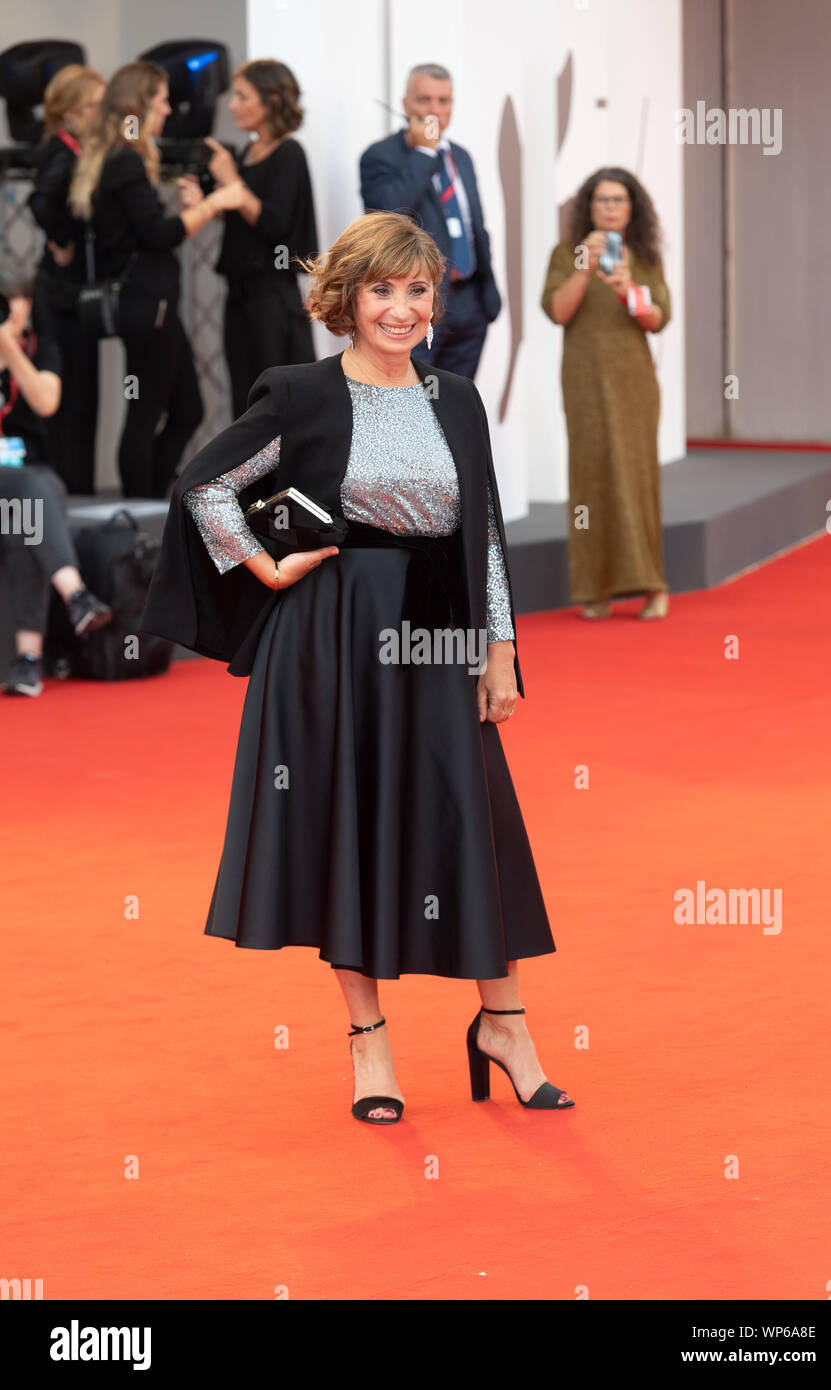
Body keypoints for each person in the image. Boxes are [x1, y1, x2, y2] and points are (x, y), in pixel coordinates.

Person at [139, 212, 574, 1125]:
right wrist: (267, 562)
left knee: (473, 817)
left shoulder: (454, 396)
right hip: (333, 636)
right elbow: (204, 488)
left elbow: (481, 530)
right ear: (347, 297)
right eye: (382, 290)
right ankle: (369, 1046)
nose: (402, 309)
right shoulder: (302, 393)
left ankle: (506, 1025)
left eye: (418, 291)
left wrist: (501, 652)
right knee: (348, 824)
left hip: (438, 627)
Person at [68, 61, 246, 499]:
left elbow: (147, 230)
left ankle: (152, 501)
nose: (168, 109)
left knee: (187, 409)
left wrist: (194, 207)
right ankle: (141, 511)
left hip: (151, 304)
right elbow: (160, 234)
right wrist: (212, 204)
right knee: (146, 411)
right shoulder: (125, 161)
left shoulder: (117, 159)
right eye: (162, 100)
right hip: (148, 307)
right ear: (139, 105)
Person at [541, 166, 672, 619]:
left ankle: (653, 586)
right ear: (588, 208)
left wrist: (628, 290)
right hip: (583, 381)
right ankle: (593, 589)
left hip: (633, 380)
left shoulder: (645, 256)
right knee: (590, 476)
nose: (611, 208)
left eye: (619, 200)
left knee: (637, 478)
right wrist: (585, 267)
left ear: (632, 209)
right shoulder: (567, 253)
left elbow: (656, 318)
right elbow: (558, 312)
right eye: (602, 200)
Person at [0, 270, 111, 697]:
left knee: (26, 517)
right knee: (31, 490)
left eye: (19, 300)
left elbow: (46, 401)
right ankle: (76, 595)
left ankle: (27, 661)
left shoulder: (40, 350)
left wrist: (9, 346)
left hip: (24, 487)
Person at [194, 59, 319, 419]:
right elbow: (244, 217)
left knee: (278, 401)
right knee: (245, 401)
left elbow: (274, 224)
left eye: (241, 96)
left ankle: (288, 476)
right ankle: (252, 476)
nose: (232, 105)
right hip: (239, 294)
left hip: (272, 297)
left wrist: (232, 183)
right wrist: (210, 205)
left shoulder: (289, 154)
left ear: (271, 101)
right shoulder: (247, 153)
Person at [360, 63, 501, 379]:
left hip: (469, 303)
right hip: (414, 305)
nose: (435, 110)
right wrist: (424, 152)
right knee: (412, 408)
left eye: (444, 101)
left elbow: (474, 227)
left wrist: (487, 298)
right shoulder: (381, 156)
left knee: (456, 412)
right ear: (405, 104)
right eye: (424, 100)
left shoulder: (461, 157)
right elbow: (387, 217)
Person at [27, 63, 105, 496]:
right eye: (93, 106)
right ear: (72, 110)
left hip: (74, 291)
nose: (99, 113)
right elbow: (42, 201)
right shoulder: (60, 149)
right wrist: (61, 239)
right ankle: (66, 487)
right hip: (61, 293)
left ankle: (77, 485)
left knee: (82, 393)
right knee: (70, 393)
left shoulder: (76, 148)